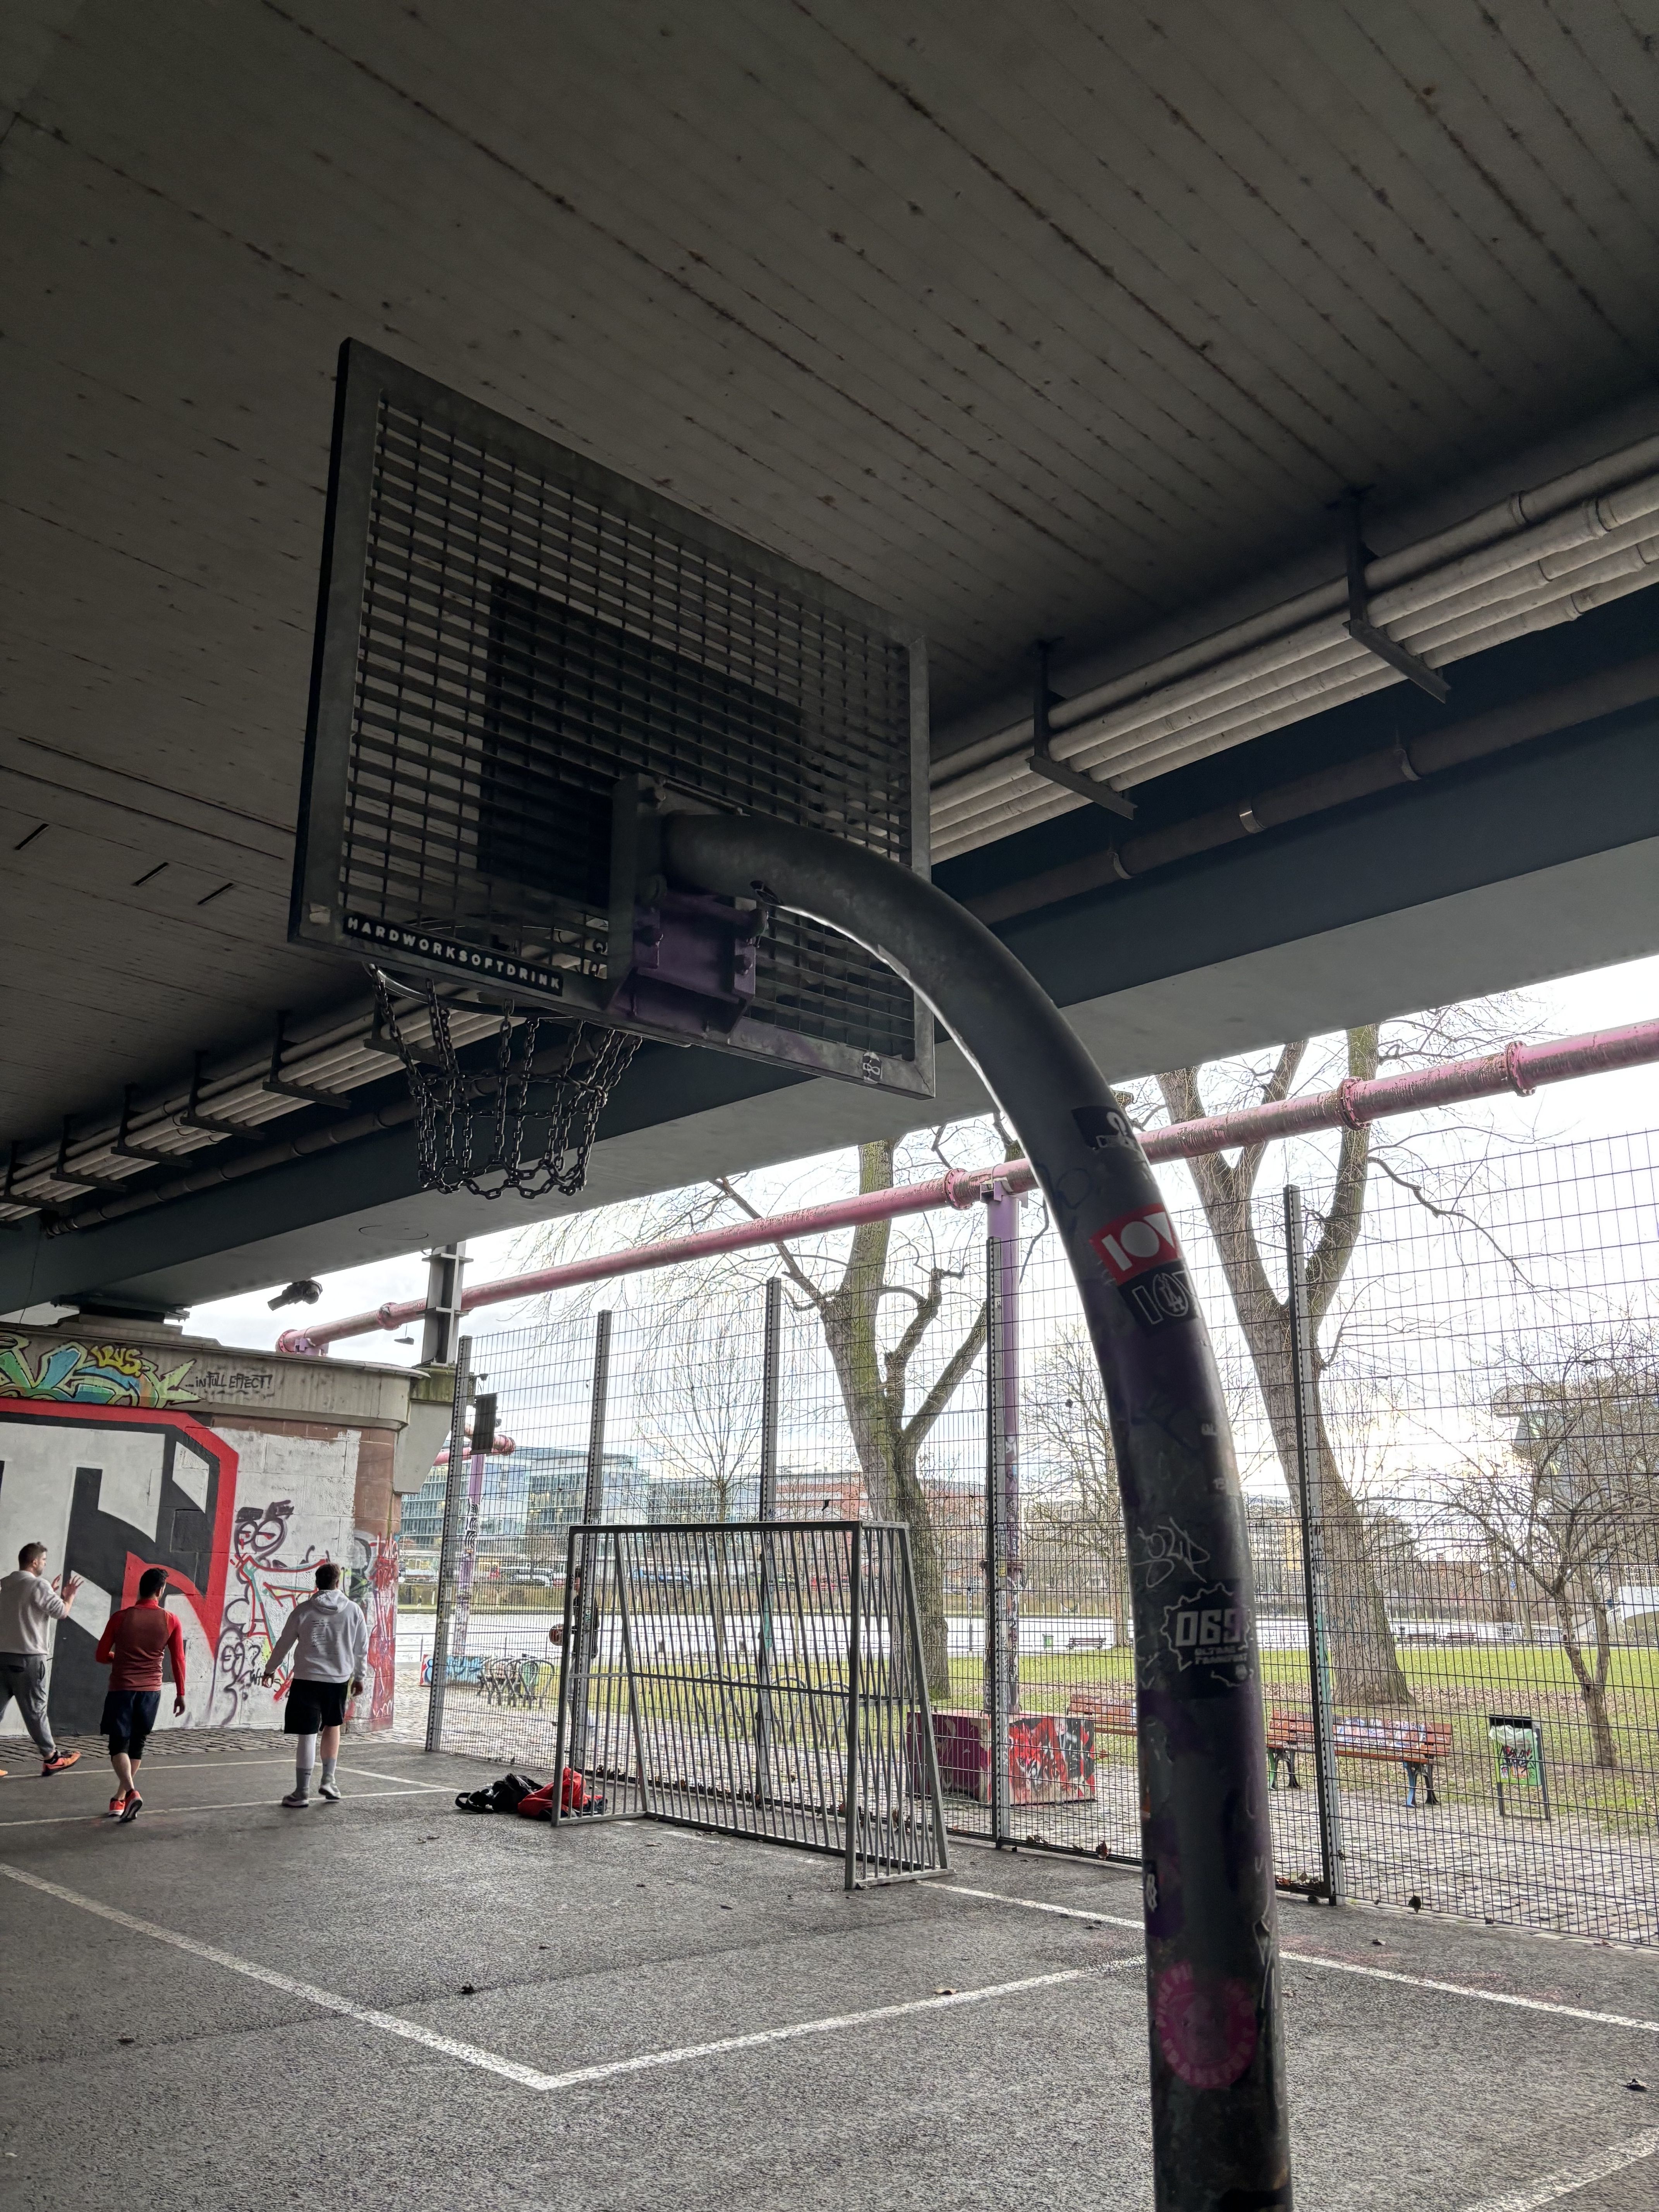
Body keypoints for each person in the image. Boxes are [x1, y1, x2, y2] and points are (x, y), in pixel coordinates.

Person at [261, 1561, 367, 1809]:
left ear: (316, 1584)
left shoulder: (304, 1610)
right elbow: (361, 1649)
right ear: (337, 1583)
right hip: (338, 1680)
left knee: (307, 1734)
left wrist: (270, 1670)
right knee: (332, 1726)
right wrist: (360, 1677)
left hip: (307, 1679)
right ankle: (329, 1780)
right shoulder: (353, 1611)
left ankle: (301, 1793)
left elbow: (284, 1643)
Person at [93, 1566, 186, 1821]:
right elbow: (178, 1660)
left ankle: (130, 1793)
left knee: (118, 1745)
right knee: (137, 1744)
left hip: (122, 1688)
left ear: (141, 1589)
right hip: (151, 1692)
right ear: (161, 1590)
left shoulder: (120, 1618)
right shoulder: (171, 1620)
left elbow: (101, 1655)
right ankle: (120, 1799)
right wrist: (181, 1693)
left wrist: (119, 1659)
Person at [0, 1541, 85, 1778]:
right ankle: (52, 1758)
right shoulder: (39, 1585)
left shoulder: (6, 1584)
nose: (45, 1565)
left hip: (2, 1656)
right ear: (35, 1562)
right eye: (44, 1561)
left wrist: (50, 1593)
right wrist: (68, 1596)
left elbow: (28, 1608)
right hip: (28, 1660)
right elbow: (62, 1612)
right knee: (35, 1711)